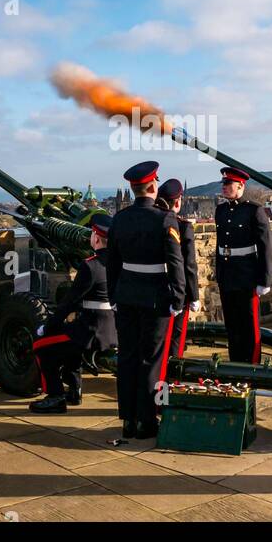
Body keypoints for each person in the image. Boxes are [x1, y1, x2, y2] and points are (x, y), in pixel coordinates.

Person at [103, 161, 187, 441]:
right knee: (151, 359)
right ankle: (147, 421)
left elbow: (112, 262)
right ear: (153, 187)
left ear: (133, 188)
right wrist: (178, 297)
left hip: (126, 296)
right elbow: (176, 263)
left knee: (127, 357)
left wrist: (114, 295)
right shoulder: (165, 219)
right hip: (156, 298)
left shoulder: (120, 219)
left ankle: (127, 420)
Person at [30, 213, 117, 414]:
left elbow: (70, 301)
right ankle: (74, 390)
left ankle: (55, 396)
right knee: (70, 339)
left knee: (42, 346)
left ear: (95, 237)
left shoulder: (90, 265)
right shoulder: (118, 262)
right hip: (112, 328)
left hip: (92, 331)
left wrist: (48, 326)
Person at [214, 167, 272, 363]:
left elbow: (266, 246)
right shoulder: (220, 210)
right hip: (228, 276)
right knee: (232, 327)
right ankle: (236, 367)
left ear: (240, 185)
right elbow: (220, 246)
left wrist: (264, 279)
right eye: (223, 184)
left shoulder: (254, 211)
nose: (224, 187)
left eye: (228, 184)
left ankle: (251, 370)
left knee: (249, 326)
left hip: (247, 277)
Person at [156, 178, 200, 358]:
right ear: (178, 201)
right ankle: (170, 381)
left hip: (152, 290)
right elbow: (188, 264)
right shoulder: (183, 226)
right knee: (175, 339)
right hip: (177, 292)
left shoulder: (150, 222)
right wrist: (194, 295)